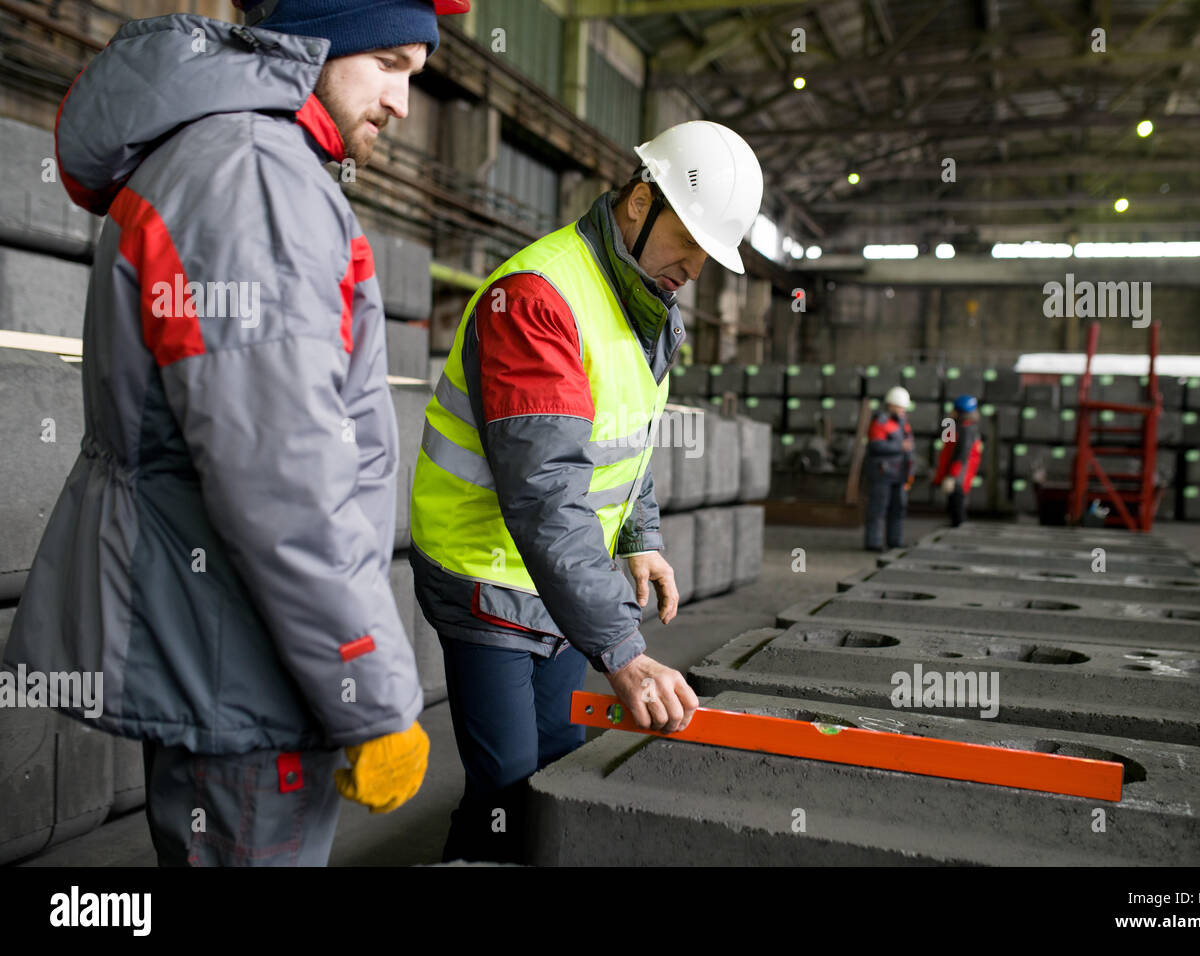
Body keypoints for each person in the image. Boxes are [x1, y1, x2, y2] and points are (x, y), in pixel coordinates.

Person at [1, 0, 471, 866]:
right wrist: (371, 692)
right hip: (248, 663)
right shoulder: (255, 177)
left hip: (231, 642)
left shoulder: (234, 158)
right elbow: (283, 479)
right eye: (393, 65)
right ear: (318, 41)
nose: (404, 102)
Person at [408, 121, 764, 863]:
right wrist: (622, 649)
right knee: (506, 786)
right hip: (485, 574)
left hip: (562, 585)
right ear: (640, 202)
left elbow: (620, 443)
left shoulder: (644, 307)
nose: (695, 268)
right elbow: (543, 491)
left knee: (559, 760)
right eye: (689, 241)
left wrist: (640, 538)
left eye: (709, 255)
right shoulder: (539, 299)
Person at [864, 385, 915, 551]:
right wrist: (900, 446)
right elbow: (875, 446)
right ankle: (874, 542)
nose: (902, 411)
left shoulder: (903, 423)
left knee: (898, 509)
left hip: (899, 473)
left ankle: (895, 541)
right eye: (900, 407)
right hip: (882, 473)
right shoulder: (880, 421)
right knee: (878, 509)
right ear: (891, 405)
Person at [934, 394, 984, 527]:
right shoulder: (959, 427)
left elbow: (961, 455)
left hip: (958, 478)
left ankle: (959, 537)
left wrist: (951, 476)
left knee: (957, 511)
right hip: (956, 476)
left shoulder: (966, 429)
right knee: (953, 509)